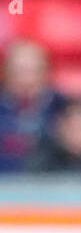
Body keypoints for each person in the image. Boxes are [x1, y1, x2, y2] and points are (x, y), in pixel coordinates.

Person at [0, 40, 61, 173]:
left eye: (34, 71)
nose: (26, 79)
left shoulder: (63, 108)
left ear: (47, 73)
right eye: (18, 71)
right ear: (5, 72)